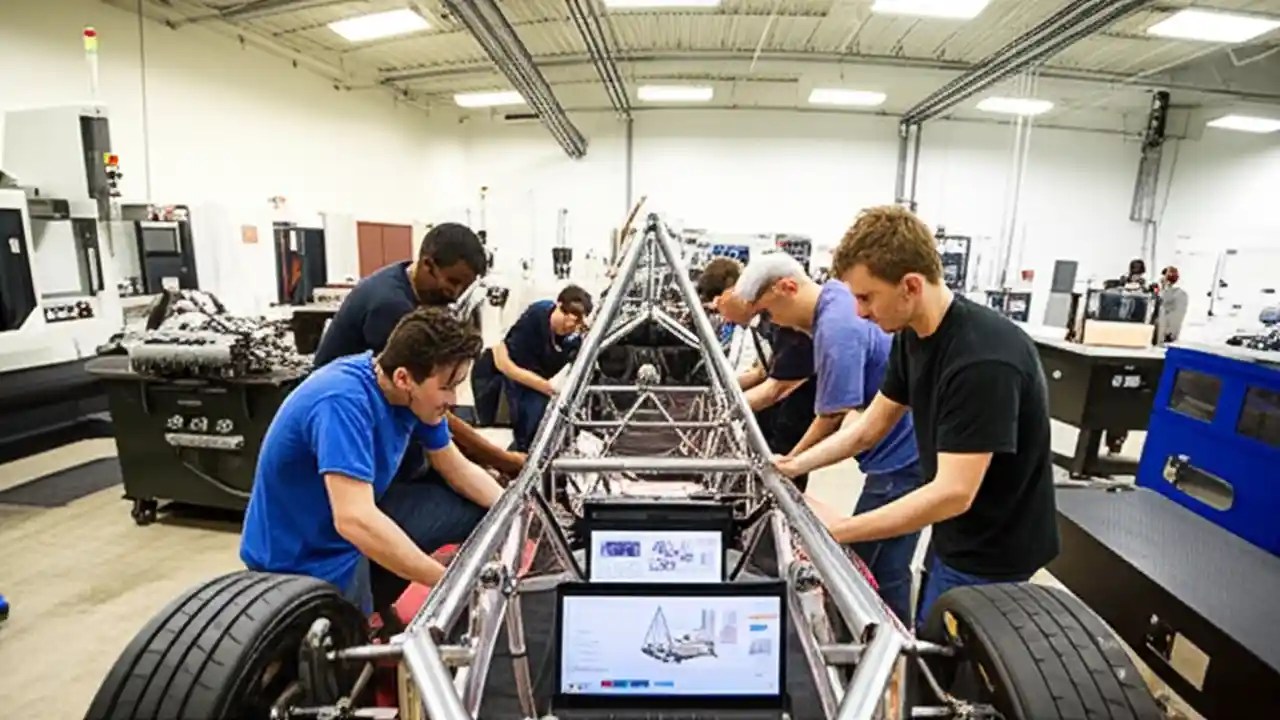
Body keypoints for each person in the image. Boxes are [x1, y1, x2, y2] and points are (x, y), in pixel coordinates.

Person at [776, 205, 1058, 629]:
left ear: (910, 286)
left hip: (993, 552)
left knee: (953, 668)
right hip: (954, 533)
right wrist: (794, 465)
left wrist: (842, 529)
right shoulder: (913, 337)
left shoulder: (983, 360)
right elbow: (871, 427)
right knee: (929, 625)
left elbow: (953, 492)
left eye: (866, 296)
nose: (860, 313)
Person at [241, 307, 503, 615]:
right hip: (301, 557)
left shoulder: (411, 397)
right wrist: (450, 581)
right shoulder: (343, 402)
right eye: (447, 386)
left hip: (344, 531)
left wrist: (517, 508)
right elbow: (354, 519)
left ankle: (380, 601)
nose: (453, 399)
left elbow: (455, 467)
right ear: (404, 377)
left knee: (476, 510)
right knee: (344, 651)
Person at [732, 251, 923, 624]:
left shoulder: (836, 328)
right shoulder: (833, 298)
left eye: (769, 313)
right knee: (887, 564)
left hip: (901, 461)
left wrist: (790, 463)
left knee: (869, 572)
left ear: (787, 287)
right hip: (898, 454)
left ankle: (894, 659)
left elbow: (833, 416)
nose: (775, 324)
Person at [697, 257, 817, 492]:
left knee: (781, 489)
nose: (723, 318)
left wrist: (719, 414)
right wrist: (721, 391)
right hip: (773, 418)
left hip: (792, 420)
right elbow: (763, 371)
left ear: (730, 294)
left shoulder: (785, 323)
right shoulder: (762, 322)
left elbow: (777, 388)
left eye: (718, 307)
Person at [493, 285, 593, 451]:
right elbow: (504, 360)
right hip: (510, 376)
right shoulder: (537, 315)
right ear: (558, 306)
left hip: (538, 383)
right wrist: (547, 389)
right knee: (533, 417)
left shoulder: (572, 340)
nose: (570, 326)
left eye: (577, 323)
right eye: (569, 318)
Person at [1157, 265, 1188, 344]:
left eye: (1162, 279)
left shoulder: (1178, 295)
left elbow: (1177, 315)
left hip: (1166, 336)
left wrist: (1170, 333)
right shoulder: (1163, 293)